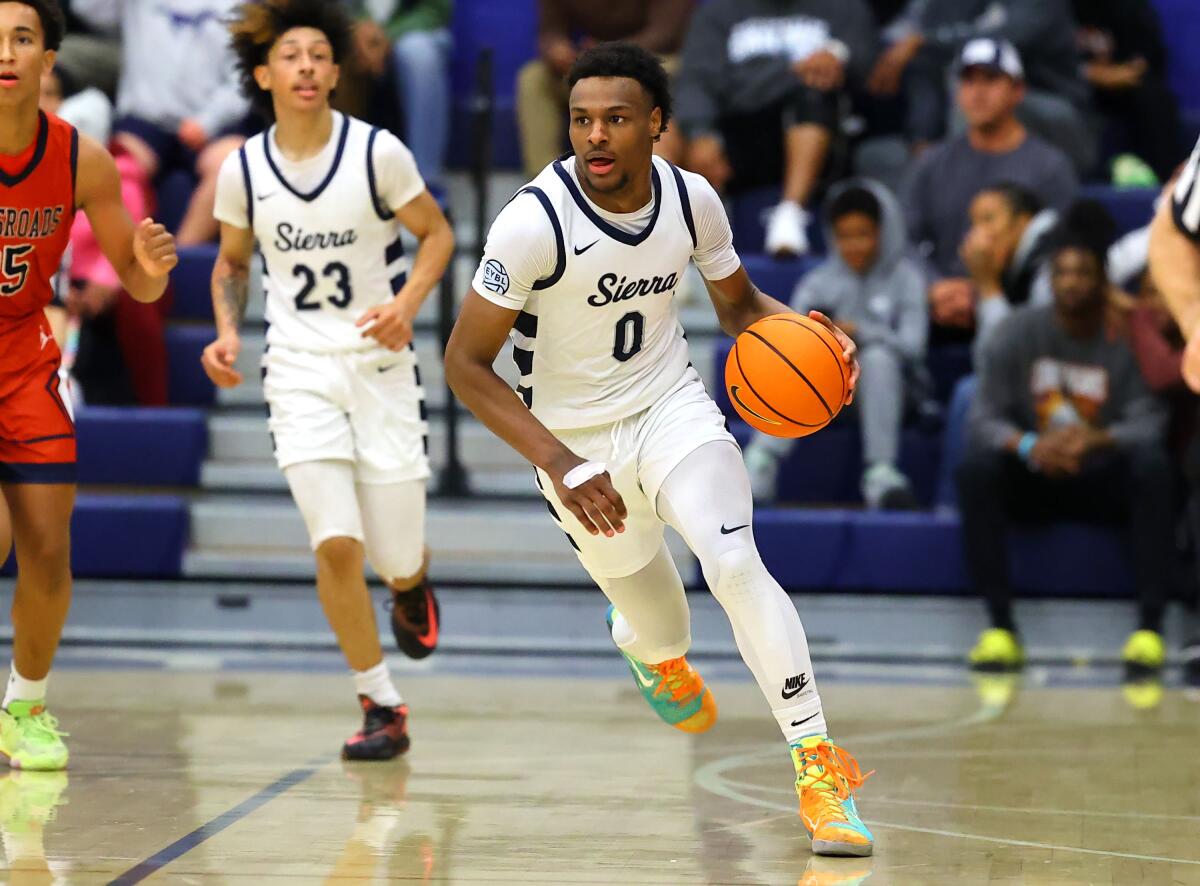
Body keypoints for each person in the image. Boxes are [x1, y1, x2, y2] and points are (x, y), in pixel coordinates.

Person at [446, 42, 875, 857]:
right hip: (575, 450)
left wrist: (815, 338)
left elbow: (744, 307)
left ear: (657, 125)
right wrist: (559, 462)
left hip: (670, 411)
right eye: (580, 121)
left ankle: (819, 771)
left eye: (615, 119)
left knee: (734, 561)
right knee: (663, 626)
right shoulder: (532, 222)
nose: (595, 137)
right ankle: (646, 650)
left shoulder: (692, 201)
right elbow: (465, 366)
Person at [203, 0, 454, 761]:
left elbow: (437, 233)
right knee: (335, 544)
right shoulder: (243, 168)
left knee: (393, 552)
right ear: (264, 74)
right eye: (291, 55)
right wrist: (223, 331)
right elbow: (234, 262)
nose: (306, 65)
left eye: (318, 54)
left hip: (380, 368)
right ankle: (380, 701)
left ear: (337, 72)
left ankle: (409, 586)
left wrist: (407, 304)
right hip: (300, 371)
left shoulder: (378, 152)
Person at [0, 0, 178, 771]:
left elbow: (134, 284)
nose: (5, 52)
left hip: (29, 361)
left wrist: (150, 264)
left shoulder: (83, 158)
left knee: (48, 551)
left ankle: (25, 708)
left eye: (22, 38)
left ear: (50, 60)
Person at [956, 232, 1173, 674]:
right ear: (1050, 281)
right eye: (1063, 273)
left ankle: (1150, 631)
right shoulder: (1017, 331)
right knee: (976, 470)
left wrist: (1098, 439)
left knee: (1154, 467)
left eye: (1084, 273)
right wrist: (1032, 446)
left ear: (1102, 282)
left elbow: (1152, 419)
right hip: (1036, 474)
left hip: (1100, 475)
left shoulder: (1125, 338)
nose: (1072, 282)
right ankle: (1000, 630)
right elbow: (982, 420)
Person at [743, 180, 927, 508]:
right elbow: (792, 347)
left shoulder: (907, 278)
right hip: (829, 392)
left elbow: (914, 347)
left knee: (879, 359)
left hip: (895, 392)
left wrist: (859, 332)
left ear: (883, 232)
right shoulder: (817, 283)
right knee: (800, 366)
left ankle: (881, 473)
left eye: (864, 234)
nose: (854, 245)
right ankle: (760, 463)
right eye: (845, 236)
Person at [674, 0, 878, 257]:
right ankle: (669, 238)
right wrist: (701, 133)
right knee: (661, 124)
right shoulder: (718, 11)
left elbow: (867, 60)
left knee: (813, 94)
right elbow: (696, 81)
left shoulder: (842, 6)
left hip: (819, 137)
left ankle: (790, 215)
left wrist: (839, 55)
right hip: (741, 130)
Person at [902, 39, 1077, 335]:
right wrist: (935, 286)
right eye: (968, 81)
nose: (978, 92)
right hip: (939, 307)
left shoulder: (1050, 167)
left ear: (1018, 91)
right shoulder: (932, 163)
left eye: (991, 79)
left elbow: (1060, 250)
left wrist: (985, 289)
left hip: (1018, 312)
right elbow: (904, 239)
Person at [71, 0, 254, 247]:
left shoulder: (241, 5)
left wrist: (208, 121)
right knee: (116, 167)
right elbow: (89, 10)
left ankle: (179, 261)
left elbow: (243, 77)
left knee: (237, 164)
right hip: (145, 120)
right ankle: (122, 263)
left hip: (214, 124)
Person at [869, 0, 1093, 172]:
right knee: (877, 156)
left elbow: (999, 41)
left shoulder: (1041, 3)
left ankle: (968, 177)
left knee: (981, 93)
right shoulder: (967, 5)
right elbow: (921, 50)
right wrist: (923, 135)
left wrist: (923, 41)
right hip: (1007, 109)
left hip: (1059, 113)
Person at [517, 0, 693, 179]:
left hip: (651, 58)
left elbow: (665, 33)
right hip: (594, 62)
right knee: (534, 78)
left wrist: (608, 53)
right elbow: (550, 30)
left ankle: (653, 180)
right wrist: (556, 48)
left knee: (666, 73)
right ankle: (546, 182)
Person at [347, 0, 453, 194]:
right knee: (322, 51)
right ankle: (333, 180)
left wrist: (386, 36)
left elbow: (435, 9)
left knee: (419, 54)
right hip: (348, 29)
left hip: (413, 30)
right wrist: (356, 27)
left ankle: (425, 186)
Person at [1072, 0, 1183, 184]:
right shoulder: (1053, 8)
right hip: (1075, 86)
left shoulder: (1130, 7)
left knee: (1154, 97)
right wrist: (1090, 73)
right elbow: (1049, 62)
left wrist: (1121, 73)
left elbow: (1147, 57)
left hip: (1126, 83)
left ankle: (1169, 182)